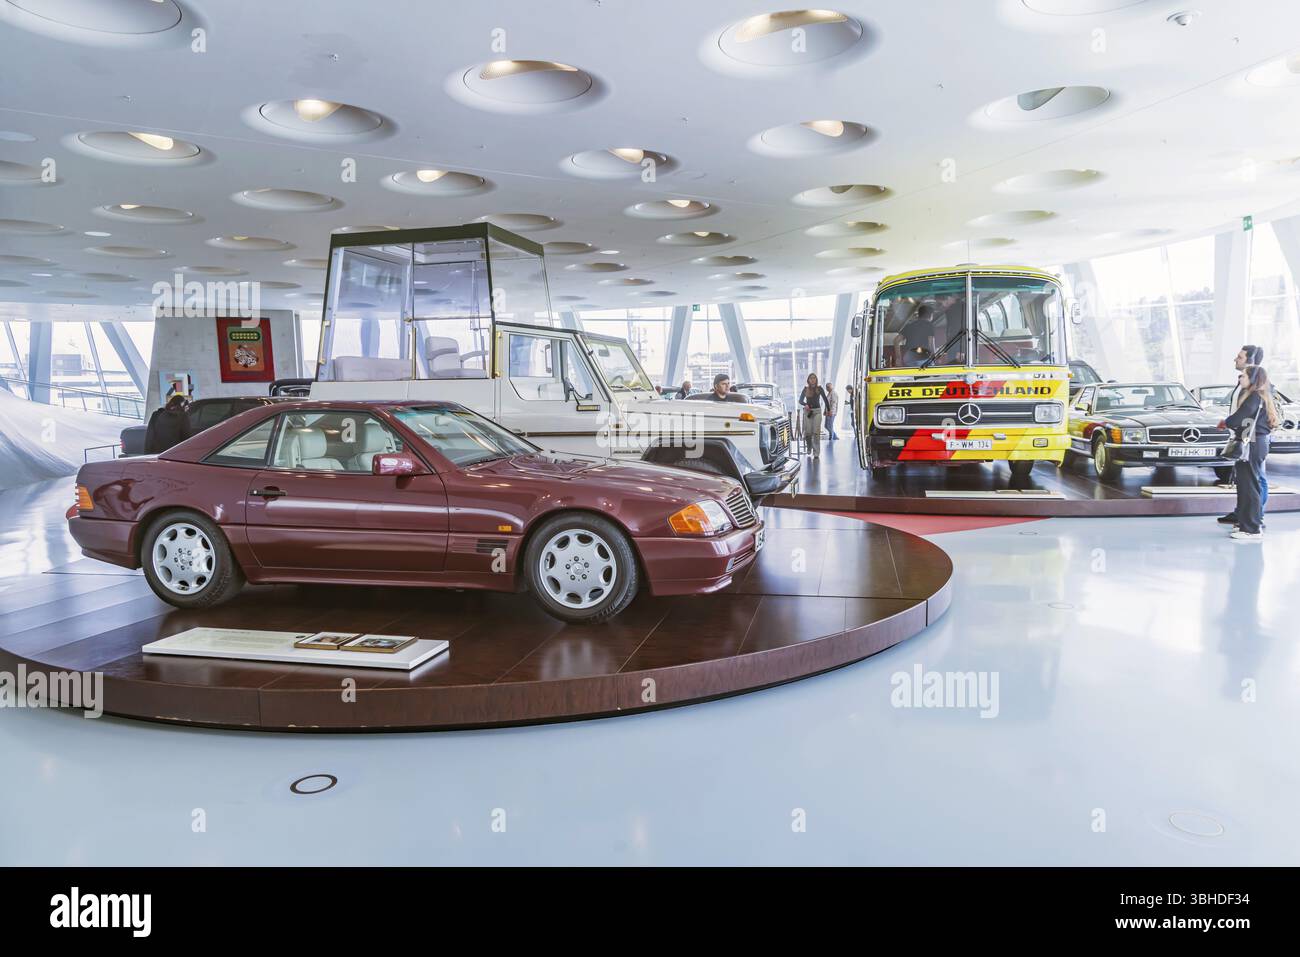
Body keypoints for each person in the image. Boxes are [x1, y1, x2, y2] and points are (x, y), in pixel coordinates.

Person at [1221, 366, 1278, 541]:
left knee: (1250, 486)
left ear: (1253, 378)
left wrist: (1226, 422)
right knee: (1248, 485)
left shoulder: (1254, 397)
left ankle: (1252, 529)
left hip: (1251, 444)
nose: (1240, 379)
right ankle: (1247, 525)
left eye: (1243, 376)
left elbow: (1237, 419)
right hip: (1255, 442)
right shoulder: (1262, 396)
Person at [1217, 344, 1268, 525]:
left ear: (1250, 361)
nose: (1235, 359)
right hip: (1245, 436)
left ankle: (1255, 517)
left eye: (1240, 357)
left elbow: (1248, 414)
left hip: (1253, 439)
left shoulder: (1258, 390)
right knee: (1246, 481)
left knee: (1256, 480)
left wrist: (1228, 422)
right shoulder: (1244, 386)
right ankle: (1243, 514)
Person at [799, 372, 829, 458]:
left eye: (814, 378)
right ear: (808, 380)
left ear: (816, 380)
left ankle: (816, 452)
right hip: (808, 412)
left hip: (817, 412)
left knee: (816, 432)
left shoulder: (819, 388)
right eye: (811, 378)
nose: (813, 380)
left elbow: (825, 400)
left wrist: (828, 410)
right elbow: (800, 401)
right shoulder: (805, 389)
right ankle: (809, 447)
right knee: (808, 432)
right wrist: (805, 404)